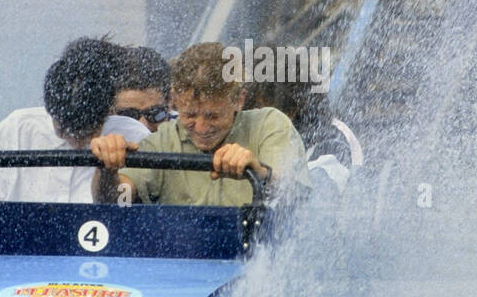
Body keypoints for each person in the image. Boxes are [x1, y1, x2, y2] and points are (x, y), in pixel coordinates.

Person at [90, 42, 310, 206]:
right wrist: (107, 169)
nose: (202, 128)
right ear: (175, 101)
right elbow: (116, 201)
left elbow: (296, 197)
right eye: (190, 115)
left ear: (239, 100)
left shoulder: (269, 125)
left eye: (213, 116)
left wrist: (259, 172)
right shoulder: (163, 141)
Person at [0, 37, 154, 203]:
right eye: (64, 130)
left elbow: (126, 214)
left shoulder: (135, 137)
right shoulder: (16, 128)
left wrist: (109, 170)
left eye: (85, 132)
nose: (74, 140)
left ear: (109, 111)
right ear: (51, 111)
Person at [249, 76, 363, 195]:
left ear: (291, 112)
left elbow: (317, 195)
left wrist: (263, 173)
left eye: (264, 114)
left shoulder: (331, 139)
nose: (256, 124)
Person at [109, 45, 171, 133]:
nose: (143, 127)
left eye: (155, 114)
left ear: (170, 105)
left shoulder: (191, 134)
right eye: (129, 116)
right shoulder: (92, 141)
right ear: (110, 112)